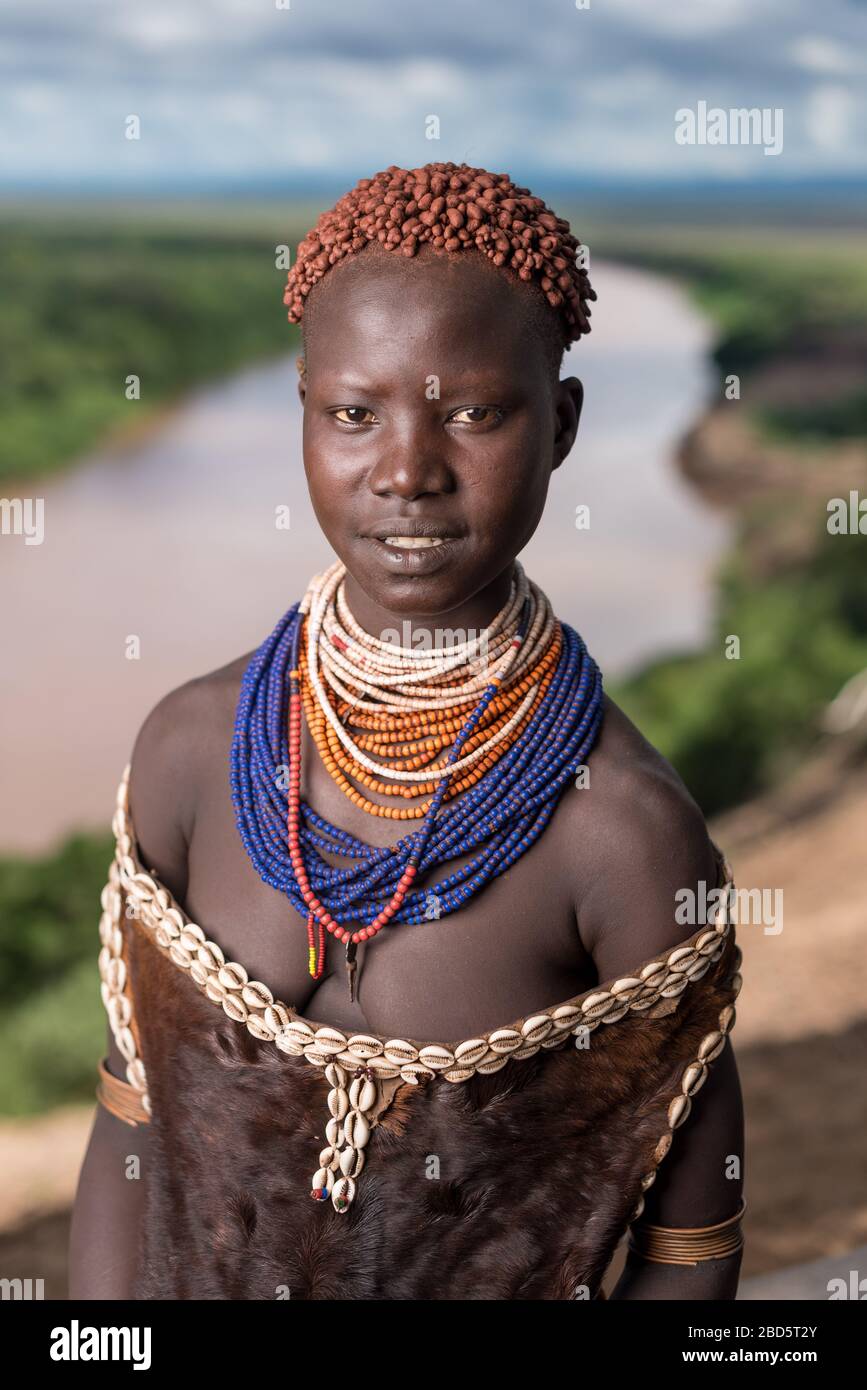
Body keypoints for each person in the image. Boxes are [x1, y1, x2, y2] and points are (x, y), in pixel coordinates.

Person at [69, 163, 744, 1301]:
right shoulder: (192, 748)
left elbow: (691, 1244)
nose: (407, 472)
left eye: (475, 412)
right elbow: (132, 1115)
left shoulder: (620, 837)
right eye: (353, 414)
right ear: (303, 414)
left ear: (564, 425)